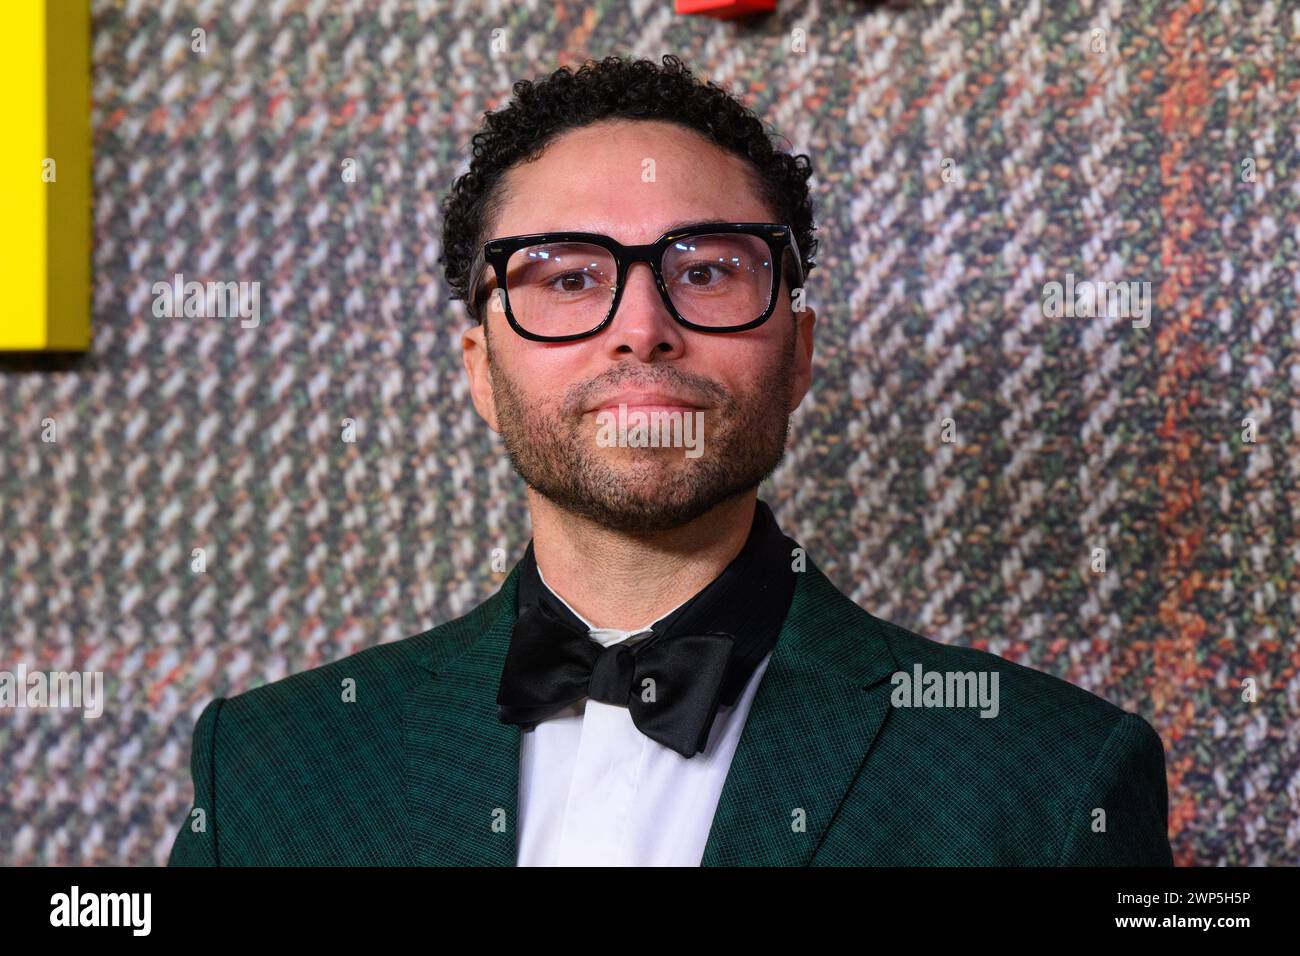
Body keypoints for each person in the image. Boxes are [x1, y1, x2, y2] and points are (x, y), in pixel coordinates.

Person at [169, 54, 1173, 866]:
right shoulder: (265, 770)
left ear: (797, 353)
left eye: (705, 271)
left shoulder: (1048, 780)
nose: (640, 328)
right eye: (566, 277)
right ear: (480, 366)